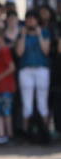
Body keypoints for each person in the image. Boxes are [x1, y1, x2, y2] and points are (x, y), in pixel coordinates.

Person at [15, 11, 53, 143]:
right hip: (26, 70)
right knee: (27, 103)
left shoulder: (45, 33)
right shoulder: (21, 34)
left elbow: (46, 51)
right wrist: (24, 36)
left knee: (42, 103)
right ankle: (27, 133)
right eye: (28, 19)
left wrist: (40, 35)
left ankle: (45, 133)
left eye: (33, 19)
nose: (30, 22)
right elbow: (19, 52)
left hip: (41, 70)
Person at [0, 35, 17, 144]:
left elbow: (12, 67)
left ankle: (9, 135)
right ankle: (1, 135)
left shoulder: (4, 50)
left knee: (6, 112)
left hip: (5, 86)